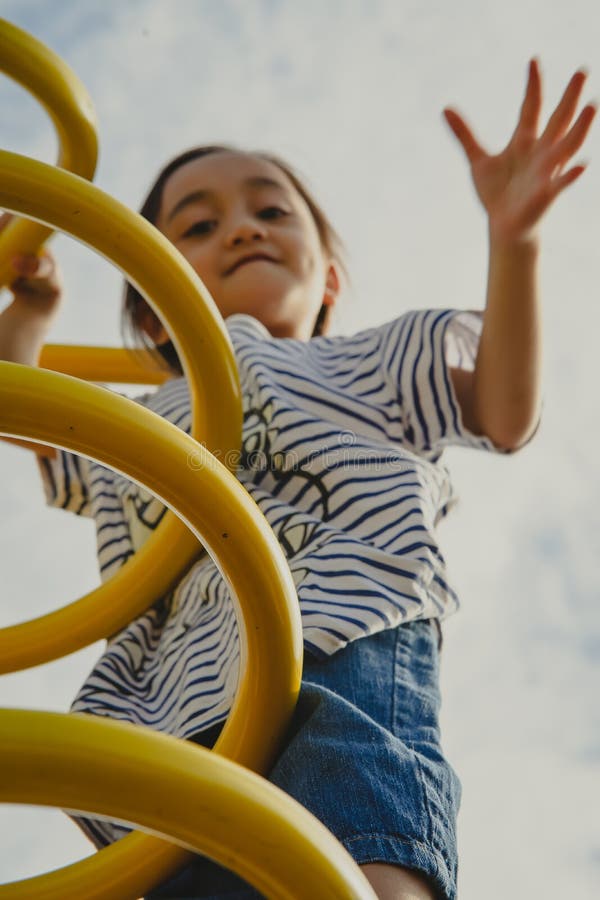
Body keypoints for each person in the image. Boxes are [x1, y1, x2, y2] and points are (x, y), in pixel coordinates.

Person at [0, 60, 595, 900]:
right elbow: (29, 418)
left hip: (339, 634)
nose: (240, 228)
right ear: (149, 309)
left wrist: (516, 240)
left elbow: (504, 412)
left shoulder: (368, 358)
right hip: (168, 705)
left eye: (270, 209)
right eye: (196, 228)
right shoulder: (139, 416)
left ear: (332, 281)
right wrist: (26, 322)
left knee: (353, 865)